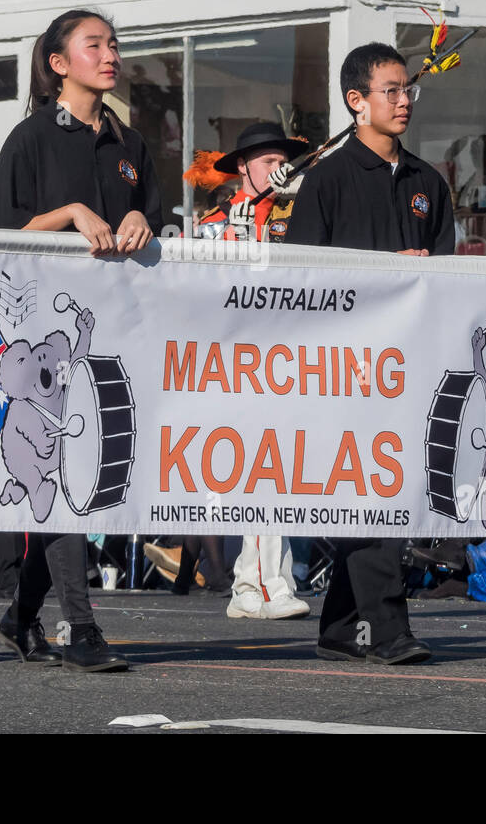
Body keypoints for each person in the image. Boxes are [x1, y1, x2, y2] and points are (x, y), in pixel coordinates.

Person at [0, 8, 162, 673]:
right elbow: (0, 239)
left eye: (115, 43)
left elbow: (147, 225)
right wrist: (68, 214)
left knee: (93, 474)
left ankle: (20, 614)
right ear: (59, 63)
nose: (110, 54)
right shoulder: (30, 139)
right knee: (64, 477)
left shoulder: (130, 144)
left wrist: (143, 213)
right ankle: (79, 625)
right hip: (42, 344)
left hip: (114, 332)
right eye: (95, 44)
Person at [285, 41, 452, 665]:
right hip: (345, 364)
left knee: (385, 491)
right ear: (357, 101)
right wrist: (382, 272)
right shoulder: (326, 179)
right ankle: (386, 627)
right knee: (373, 490)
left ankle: (340, 623)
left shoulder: (427, 181)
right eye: (391, 89)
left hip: (408, 361)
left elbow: (446, 274)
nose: (404, 99)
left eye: (408, 88)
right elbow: (300, 275)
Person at [191, 122, 310, 618]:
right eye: (267, 162)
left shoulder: (296, 209)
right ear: (242, 166)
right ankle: (267, 583)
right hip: (233, 360)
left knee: (280, 471)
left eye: (283, 161)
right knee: (258, 471)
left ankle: (251, 583)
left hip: (287, 356)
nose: (278, 170)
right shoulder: (215, 221)